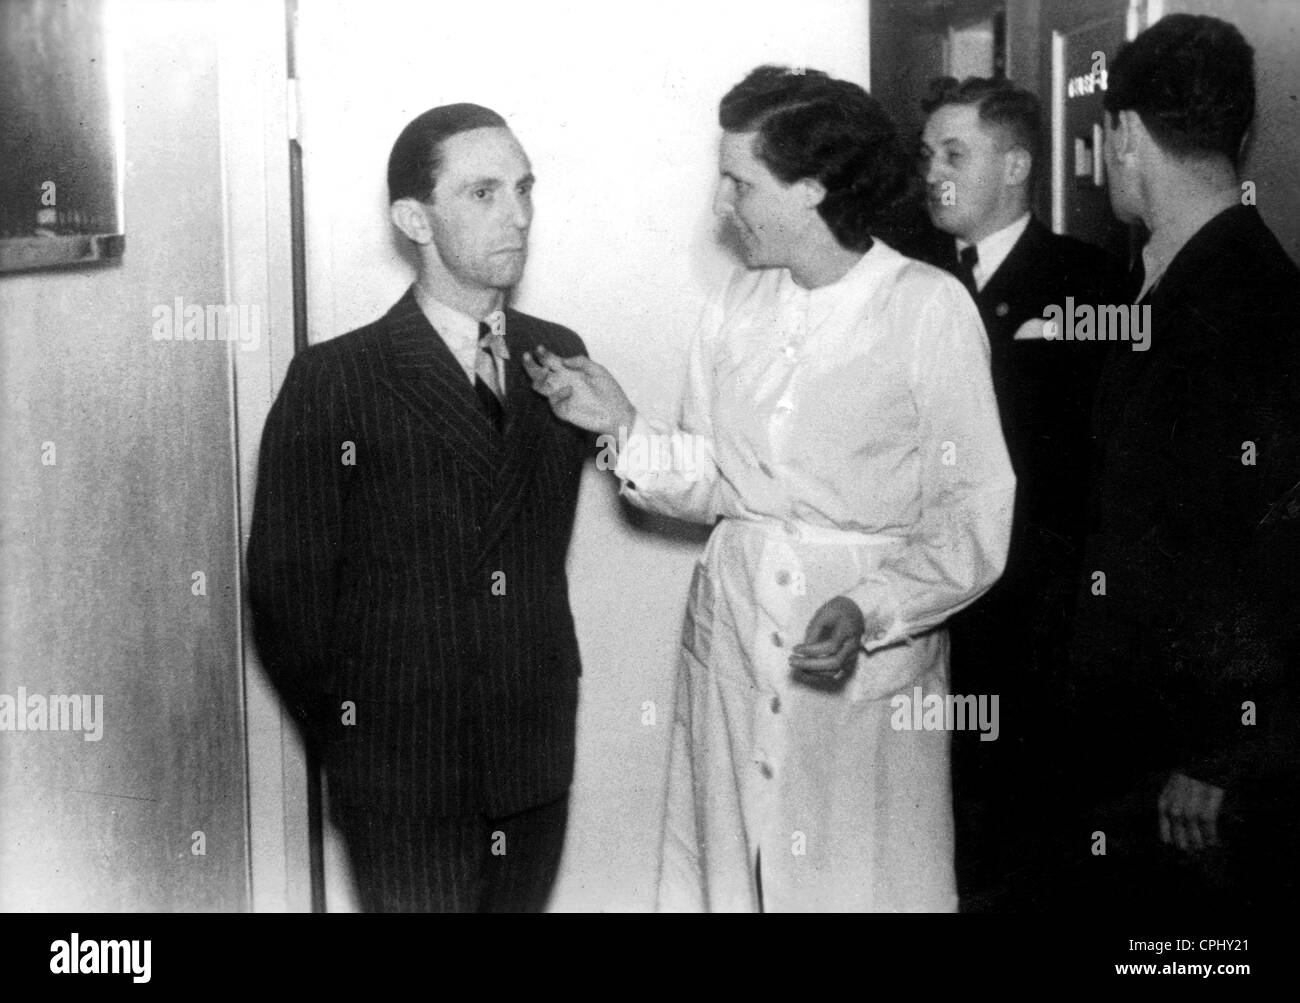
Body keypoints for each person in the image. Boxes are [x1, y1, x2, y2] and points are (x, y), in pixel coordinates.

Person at [525, 66, 1016, 912]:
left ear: (813, 186)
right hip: (734, 637)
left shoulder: (925, 308)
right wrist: (620, 425)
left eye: (740, 182)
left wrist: (871, 605)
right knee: (728, 867)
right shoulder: (737, 304)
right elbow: (717, 477)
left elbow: (973, 515)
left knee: (859, 879)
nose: (722, 206)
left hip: (865, 669)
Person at [247, 104, 590, 912]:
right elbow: (286, 599)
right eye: (483, 192)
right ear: (414, 219)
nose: (519, 215)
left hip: (532, 761)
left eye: (524, 188)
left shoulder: (559, 356)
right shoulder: (336, 379)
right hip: (403, 776)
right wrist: (364, 735)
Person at [1068, 13, 1300, 911]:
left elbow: (1272, 551)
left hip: (1195, 785)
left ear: (1124, 132)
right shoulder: (1194, 283)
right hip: (1153, 753)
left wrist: (1224, 753)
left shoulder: (1245, 303)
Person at [918, 76, 1127, 911]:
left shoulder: (1088, 283)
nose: (933, 173)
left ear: (1015, 166)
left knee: (1021, 856)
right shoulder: (907, 281)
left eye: (954, 155)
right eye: (928, 155)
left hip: (1034, 630)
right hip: (925, 613)